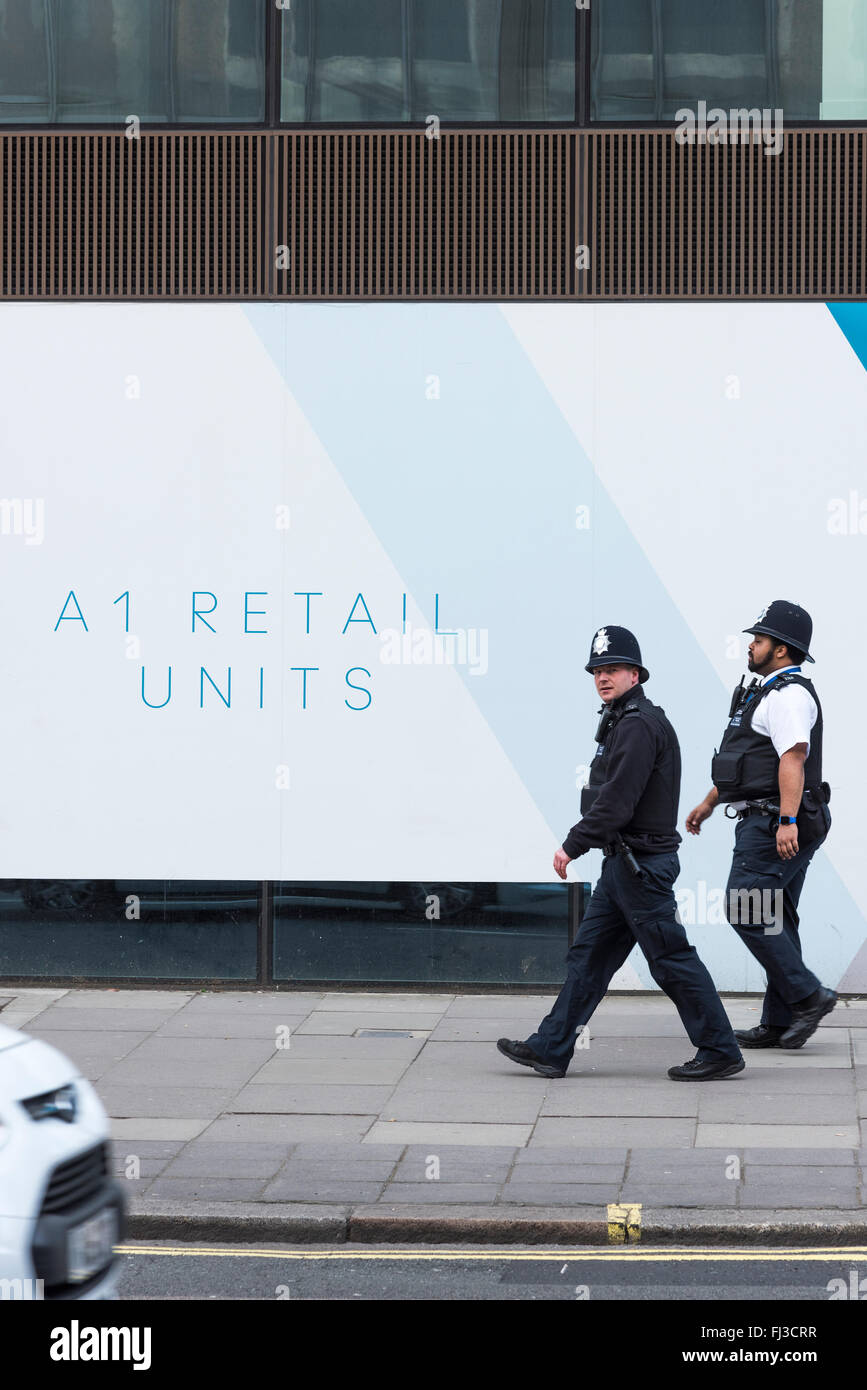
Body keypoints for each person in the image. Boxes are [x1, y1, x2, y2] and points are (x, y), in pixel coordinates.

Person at [497, 626, 744, 1081]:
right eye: (597, 670)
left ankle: (720, 1049)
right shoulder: (624, 719)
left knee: (671, 960)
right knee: (588, 958)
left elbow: (617, 801)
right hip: (624, 866)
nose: (602, 677)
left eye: (611, 669)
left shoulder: (637, 725)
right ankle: (551, 1048)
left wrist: (572, 844)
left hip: (641, 868)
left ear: (635, 673)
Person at [686, 600, 835, 1049]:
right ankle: (780, 1020)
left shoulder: (788, 696)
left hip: (776, 822)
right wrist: (711, 801)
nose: (751, 644)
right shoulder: (762, 692)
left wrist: (786, 821)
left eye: (760, 639)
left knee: (745, 908)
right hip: (775, 815)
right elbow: (748, 763)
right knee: (777, 916)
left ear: (783, 650)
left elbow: (792, 758)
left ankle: (809, 996)